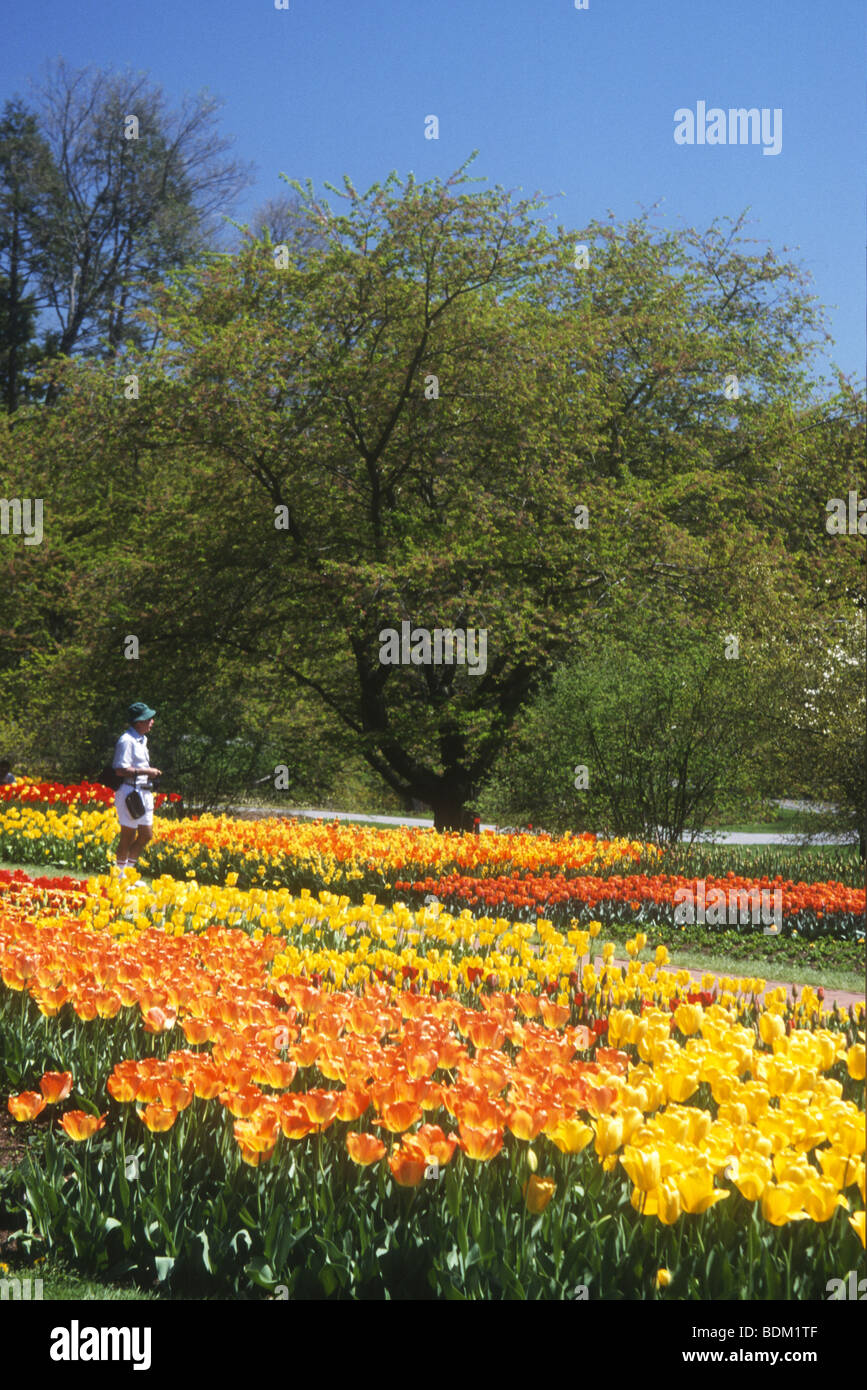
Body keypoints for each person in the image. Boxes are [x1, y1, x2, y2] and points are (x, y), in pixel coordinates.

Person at [112, 702, 161, 884]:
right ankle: (119, 876)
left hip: (144, 792)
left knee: (146, 835)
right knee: (128, 835)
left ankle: (128, 873)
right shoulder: (126, 741)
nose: (152, 722)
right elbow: (120, 769)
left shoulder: (142, 740)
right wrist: (147, 772)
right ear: (139, 722)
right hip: (130, 792)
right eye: (148, 719)